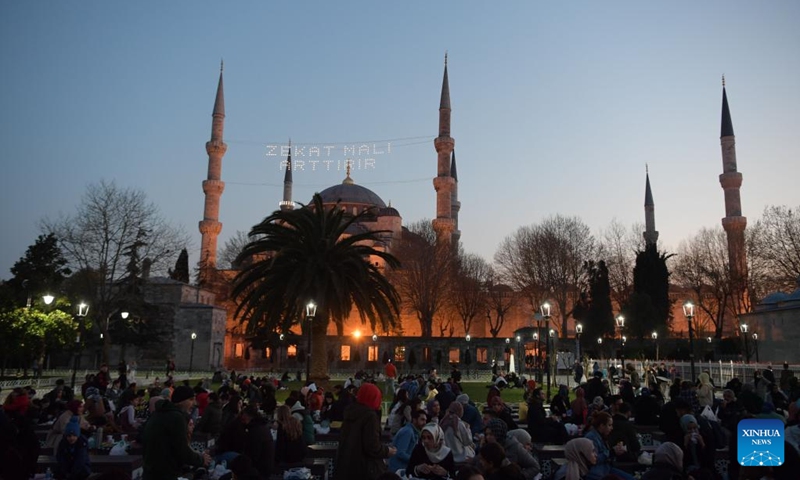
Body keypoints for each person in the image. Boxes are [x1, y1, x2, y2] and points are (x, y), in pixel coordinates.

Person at [142, 385, 210, 479]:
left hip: (151, 471)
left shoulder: (159, 414)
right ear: (181, 401)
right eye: (191, 399)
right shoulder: (176, 417)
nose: (194, 403)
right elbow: (182, 450)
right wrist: (201, 459)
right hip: (164, 473)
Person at [334, 383, 396, 480]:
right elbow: (372, 446)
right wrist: (387, 451)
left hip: (347, 466)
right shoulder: (369, 416)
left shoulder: (351, 413)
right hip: (365, 469)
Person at [583, 411, 635, 480]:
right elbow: (593, 459)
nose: (612, 428)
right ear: (602, 426)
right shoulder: (591, 438)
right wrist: (612, 452)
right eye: (609, 425)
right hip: (597, 473)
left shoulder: (602, 436)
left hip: (606, 469)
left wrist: (616, 451)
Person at [239, 405, 274, 478]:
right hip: (266, 467)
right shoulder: (263, 427)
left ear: (247, 416)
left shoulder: (254, 431)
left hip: (259, 470)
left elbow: (252, 455)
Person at [389, 408, 427, 473]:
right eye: (422, 420)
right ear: (414, 420)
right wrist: (417, 461)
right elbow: (400, 453)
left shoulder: (414, 432)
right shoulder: (408, 432)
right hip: (398, 471)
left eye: (425, 420)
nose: (424, 423)